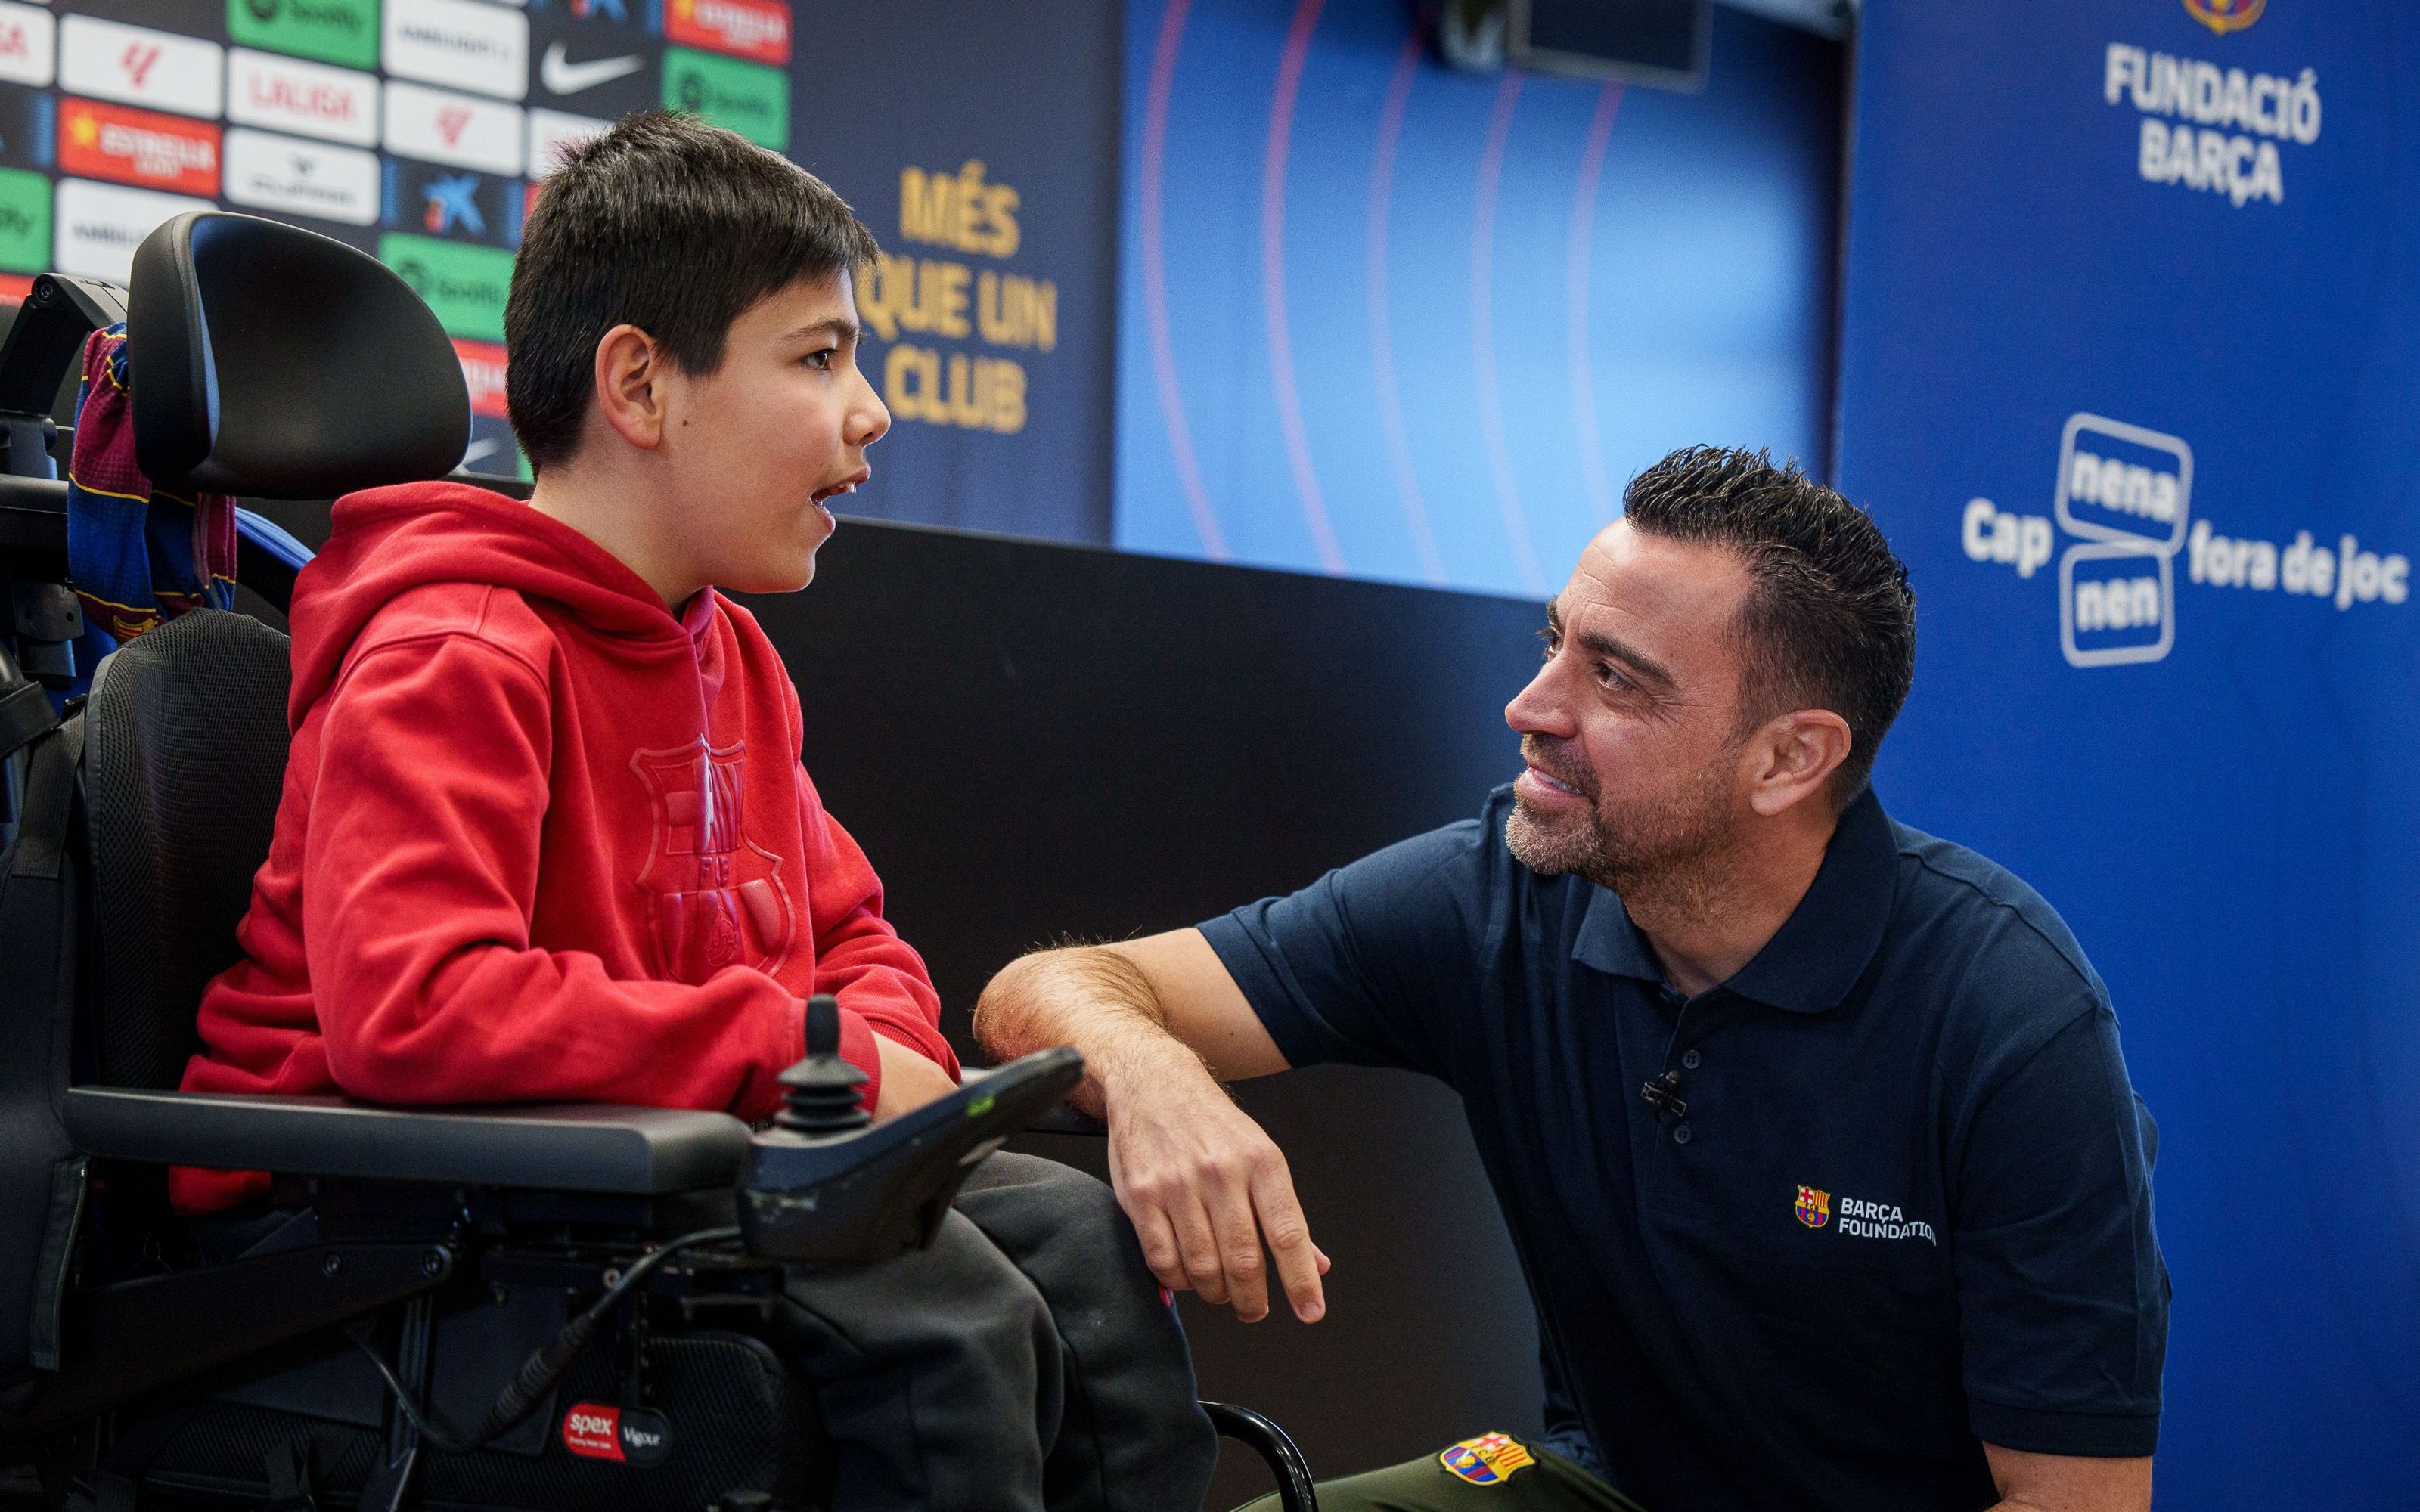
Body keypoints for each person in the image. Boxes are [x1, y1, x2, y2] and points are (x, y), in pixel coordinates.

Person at [175, 111, 1215, 1512]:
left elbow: (854, 942)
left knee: (1084, 1249)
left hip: (643, 1159)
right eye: (819, 357)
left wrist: (871, 1082)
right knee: (944, 1325)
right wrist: (799, 1065)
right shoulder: (459, 649)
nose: (872, 411)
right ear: (642, 387)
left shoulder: (725, 651)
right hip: (377, 1222)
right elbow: (415, 1009)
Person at [975, 447, 2169, 1512]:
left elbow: (2081, 1504)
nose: (1532, 707)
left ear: (1789, 759)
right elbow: (1045, 991)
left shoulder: (2011, 1012)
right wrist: (1151, 1077)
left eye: (1617, 679)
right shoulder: (1492, 894)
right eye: (1555, 642)